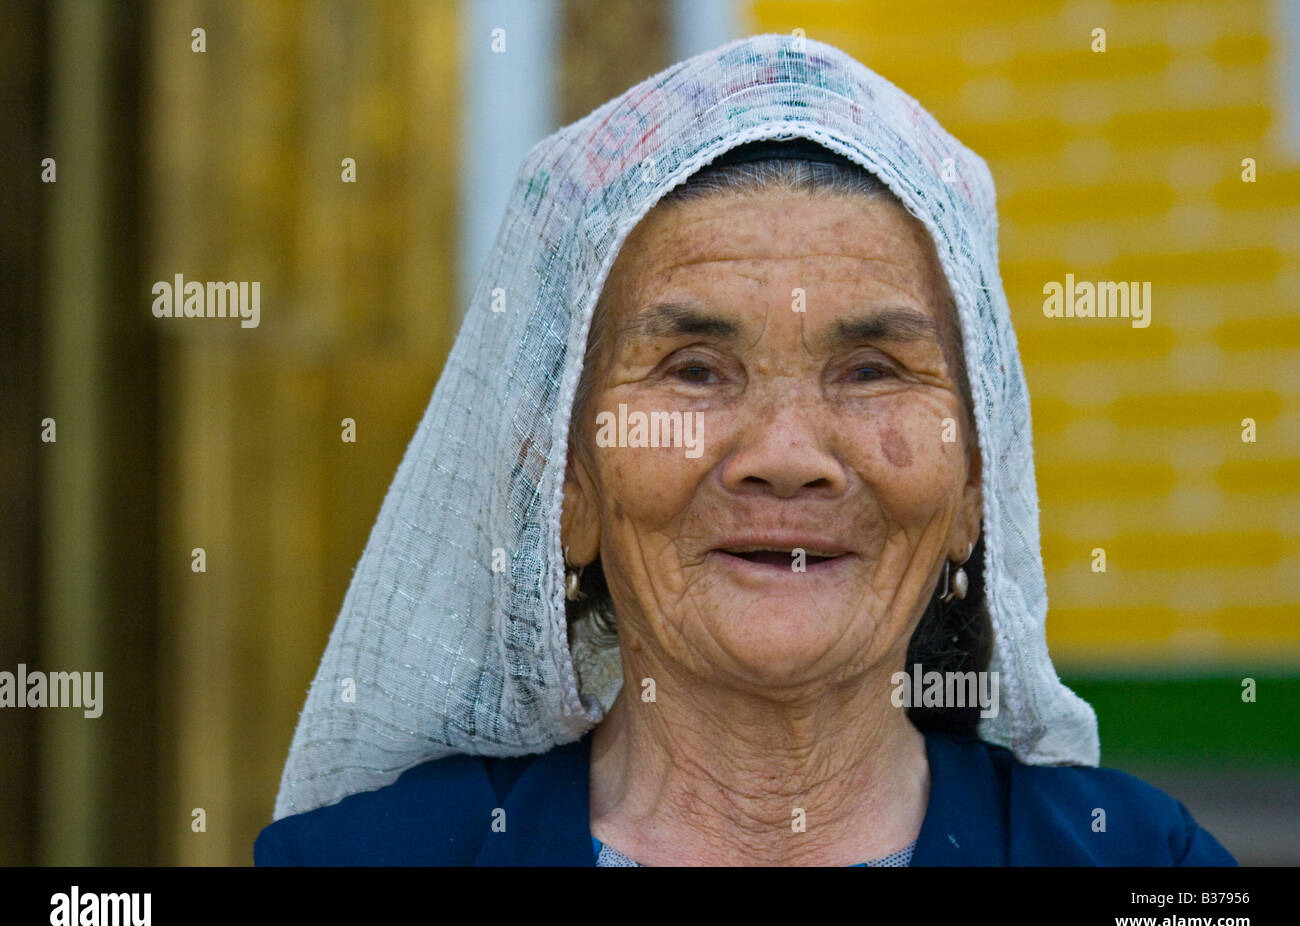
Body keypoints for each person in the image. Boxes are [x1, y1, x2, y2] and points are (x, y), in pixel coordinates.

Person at [255, 34, 1235, 866]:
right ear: (566, 485)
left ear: (977, 481)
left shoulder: (1142, 864)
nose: (785, 454)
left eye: (871, 369)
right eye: (691, 369)